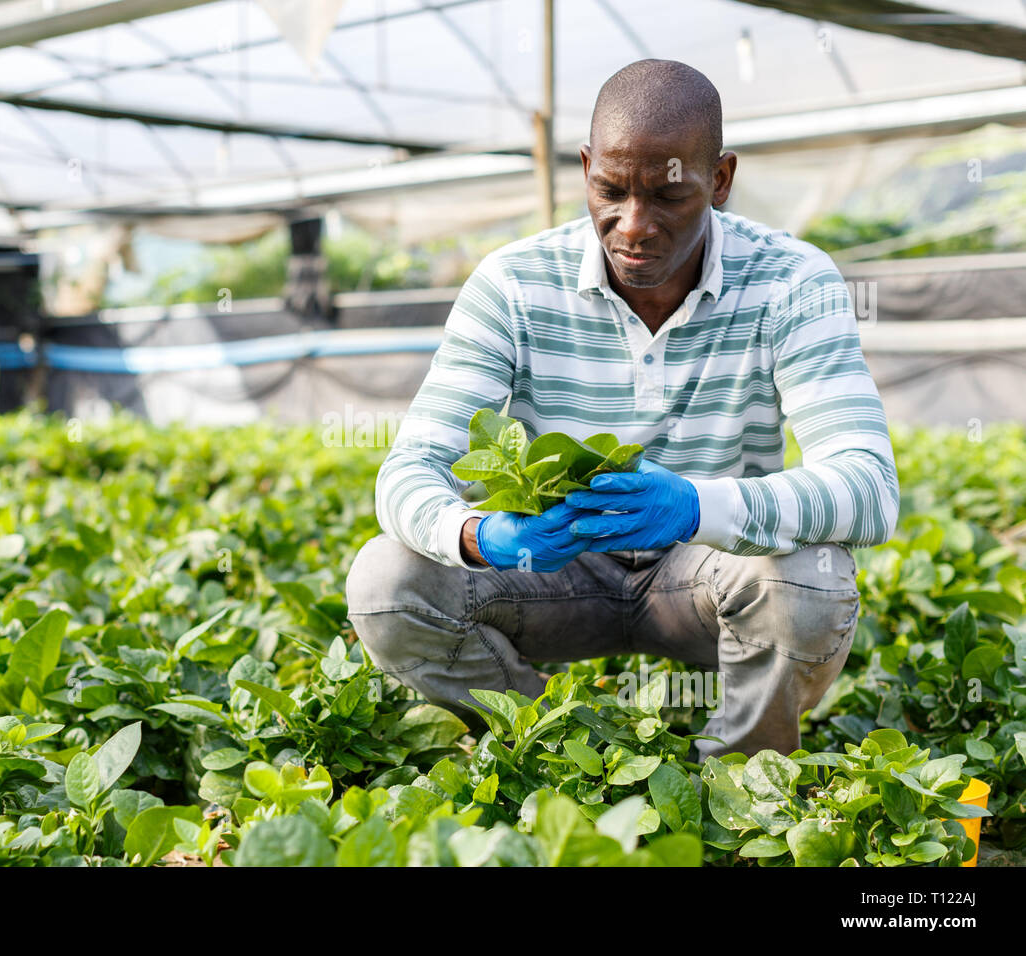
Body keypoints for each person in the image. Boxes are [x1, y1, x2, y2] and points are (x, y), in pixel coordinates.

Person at [345, 59, 899, 759]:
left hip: (708, 572)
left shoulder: (793, 282)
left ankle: (740, 779)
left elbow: (869, 485)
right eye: (610, 191)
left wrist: (697, 508)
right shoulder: (513, 285)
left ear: (720, 181)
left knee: (811, 577)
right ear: (585, 170)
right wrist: (480, 536)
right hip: (556, 570)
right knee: (385, 584)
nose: (633, 226)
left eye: (669, 197)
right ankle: (550, 743)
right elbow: (409, 469)